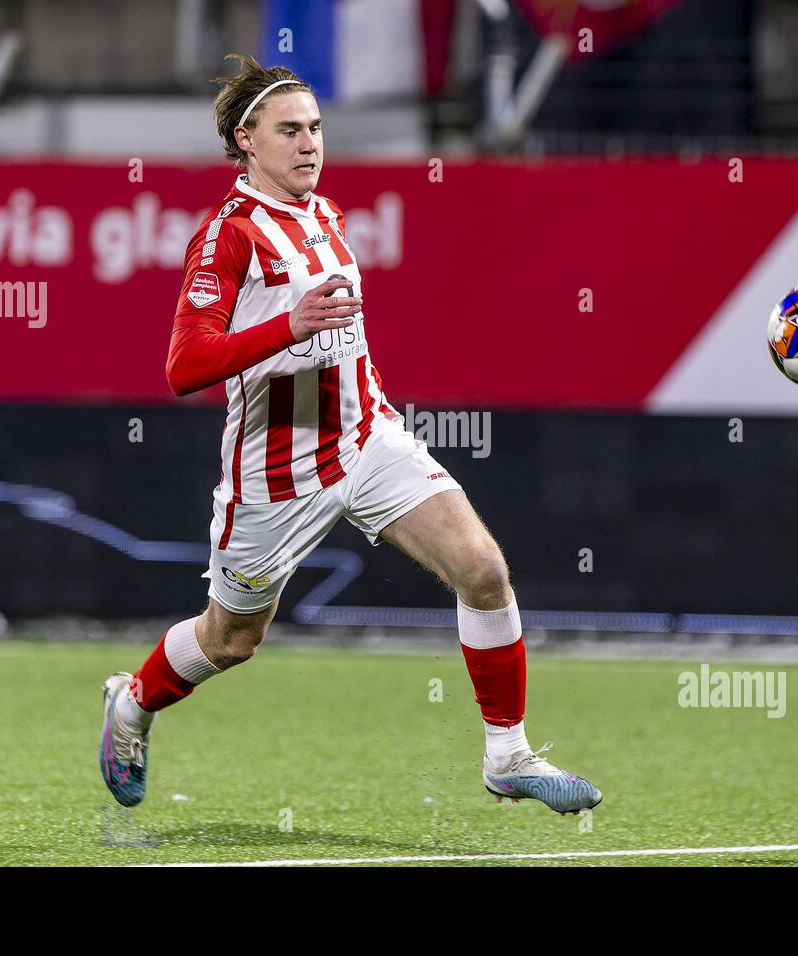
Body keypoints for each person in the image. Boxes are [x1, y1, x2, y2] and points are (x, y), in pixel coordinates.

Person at [98, 54, 601, 815]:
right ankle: (132, 704)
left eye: (316, 129)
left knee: (483, 569)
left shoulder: (326, 217)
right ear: (247, 140)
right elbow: (183, 366)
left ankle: (509, 755)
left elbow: (342, 343)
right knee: (231, 640)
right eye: (289, 131)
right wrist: (284, 326)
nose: (309, 144)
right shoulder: (227, 237)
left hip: (367, 441)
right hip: (275, 473)